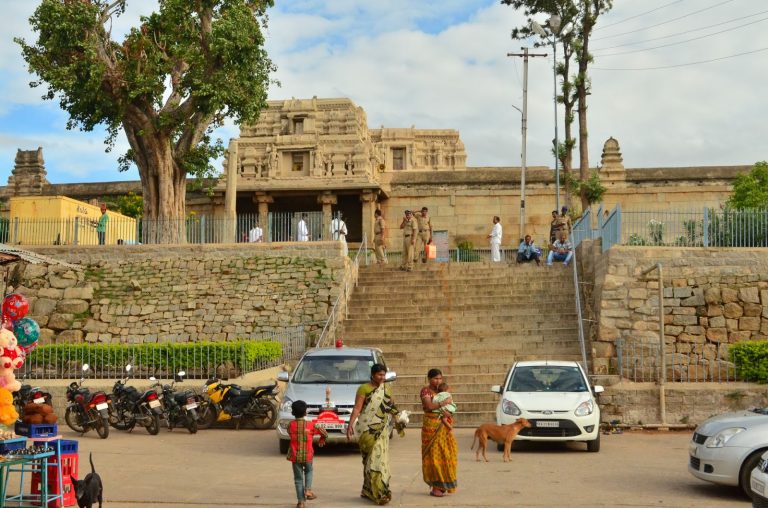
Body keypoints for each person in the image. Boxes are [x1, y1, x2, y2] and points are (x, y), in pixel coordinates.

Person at [346, 364, 402, 505]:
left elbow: (391, 407)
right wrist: (350, 425)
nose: (382, 377)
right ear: (372, 375)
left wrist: (399, 420)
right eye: (379, 375)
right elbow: (358, 408)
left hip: (381, 430)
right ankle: (368, 490)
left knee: (378, 462)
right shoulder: (364, 388)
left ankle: (379, 492)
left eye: (383, 375)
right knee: (368, 461)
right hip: (366, 430)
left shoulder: (386, 389)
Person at [420, 368, 457, 497]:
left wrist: (448, 412)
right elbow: (429, 406)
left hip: (444, 426)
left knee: (446, 454)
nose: (438, 381)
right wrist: (443, 403)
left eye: (440, 378)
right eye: (435, 378)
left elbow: (451, 406)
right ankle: (436, 486)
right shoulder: (426, 391)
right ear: (429, 379)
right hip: (431, 427)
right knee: (434, 457)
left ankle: (444, 484)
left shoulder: (443, 390)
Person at [287, 400, 327, 508]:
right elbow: (324, 433)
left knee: (298, 479)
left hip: (295, 456)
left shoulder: (290, 425)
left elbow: (289, 433)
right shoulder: (311, 425)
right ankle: (308, 490)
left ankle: (301, 503)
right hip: (308, 455)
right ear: (305, 412)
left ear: (292, 413)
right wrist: (322, 438)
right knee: (309, 471)